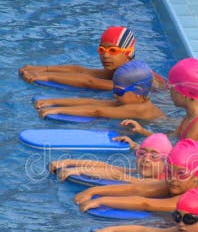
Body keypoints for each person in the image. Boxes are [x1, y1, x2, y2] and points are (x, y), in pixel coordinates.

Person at [74, 139, 198, 213]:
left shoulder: (191, 197)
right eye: (169, 171)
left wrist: (101, 200)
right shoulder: (172, 183)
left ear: (195, 177)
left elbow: (146, 204)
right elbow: (136, 188)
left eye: (181, 174)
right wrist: (92, 191)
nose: (173, 178)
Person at [120, 58, 198, 153]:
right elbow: (170, 139)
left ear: (183, 93)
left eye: (171, 87)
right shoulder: (192, 113)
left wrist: (137, 147)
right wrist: (141, 130)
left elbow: (176, 159)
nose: (169, 91)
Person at [34, 60, 164, 121]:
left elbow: (97, 111)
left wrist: (58, 110)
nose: (114, 94)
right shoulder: (134, 101)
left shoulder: (139, 109)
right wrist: (52, 102)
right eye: (113, 89)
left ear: (138, 92)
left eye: (119, 92)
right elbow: (96, 103)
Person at [18, 26, 136, 91]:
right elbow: (82, 71)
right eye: (102, 50)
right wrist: (41, 69)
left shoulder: (130, 76)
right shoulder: (117, 69)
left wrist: (46, 77)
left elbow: (91, 82)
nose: (105, 55)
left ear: (128, 53)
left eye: (113, 51)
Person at [49, 133, 172, 183]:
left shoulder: (158, 182)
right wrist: (68, 162)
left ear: (166, 163)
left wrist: (78, 171)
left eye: (154, 156)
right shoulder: (145, 173)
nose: (146, 159)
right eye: (142, 154)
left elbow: (118, 176)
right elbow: (111, 168)